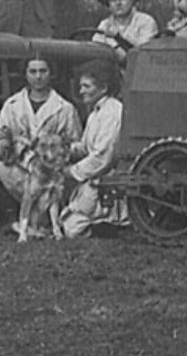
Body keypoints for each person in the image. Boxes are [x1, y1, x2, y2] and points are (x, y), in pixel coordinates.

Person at [0, 57, 82, 234]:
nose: (38, 76)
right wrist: (3, 142)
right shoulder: (12, 105)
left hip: (50, 174)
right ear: (25, 75)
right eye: (33, 72)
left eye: (43, 71)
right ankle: (10, 217)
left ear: (51, 74)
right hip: (21, 169)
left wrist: (59, 155)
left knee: (50, 194)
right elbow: (2, 131)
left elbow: (75, 142)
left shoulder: (64, 108)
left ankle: (47, 223)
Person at [61, 59, 128, 238]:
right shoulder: (96, 112)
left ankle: (110, 225)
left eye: (87, 86)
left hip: (107, 178)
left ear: (104, 88)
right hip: (94, 175)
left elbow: (103, 157)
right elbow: (85, 147)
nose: (81, 91)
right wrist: (64, 150)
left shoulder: (112, 112)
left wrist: (69, 171)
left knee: (71, 228)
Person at [92, 0, 158, 64]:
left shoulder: (146, 22)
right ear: (108, 5)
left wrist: (117, 39)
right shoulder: (104, 25)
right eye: (113, 0)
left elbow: (143, 55)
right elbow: (94, 51)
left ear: (132, 1)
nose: (118, 3)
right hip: (107, 70)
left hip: (138, 72)